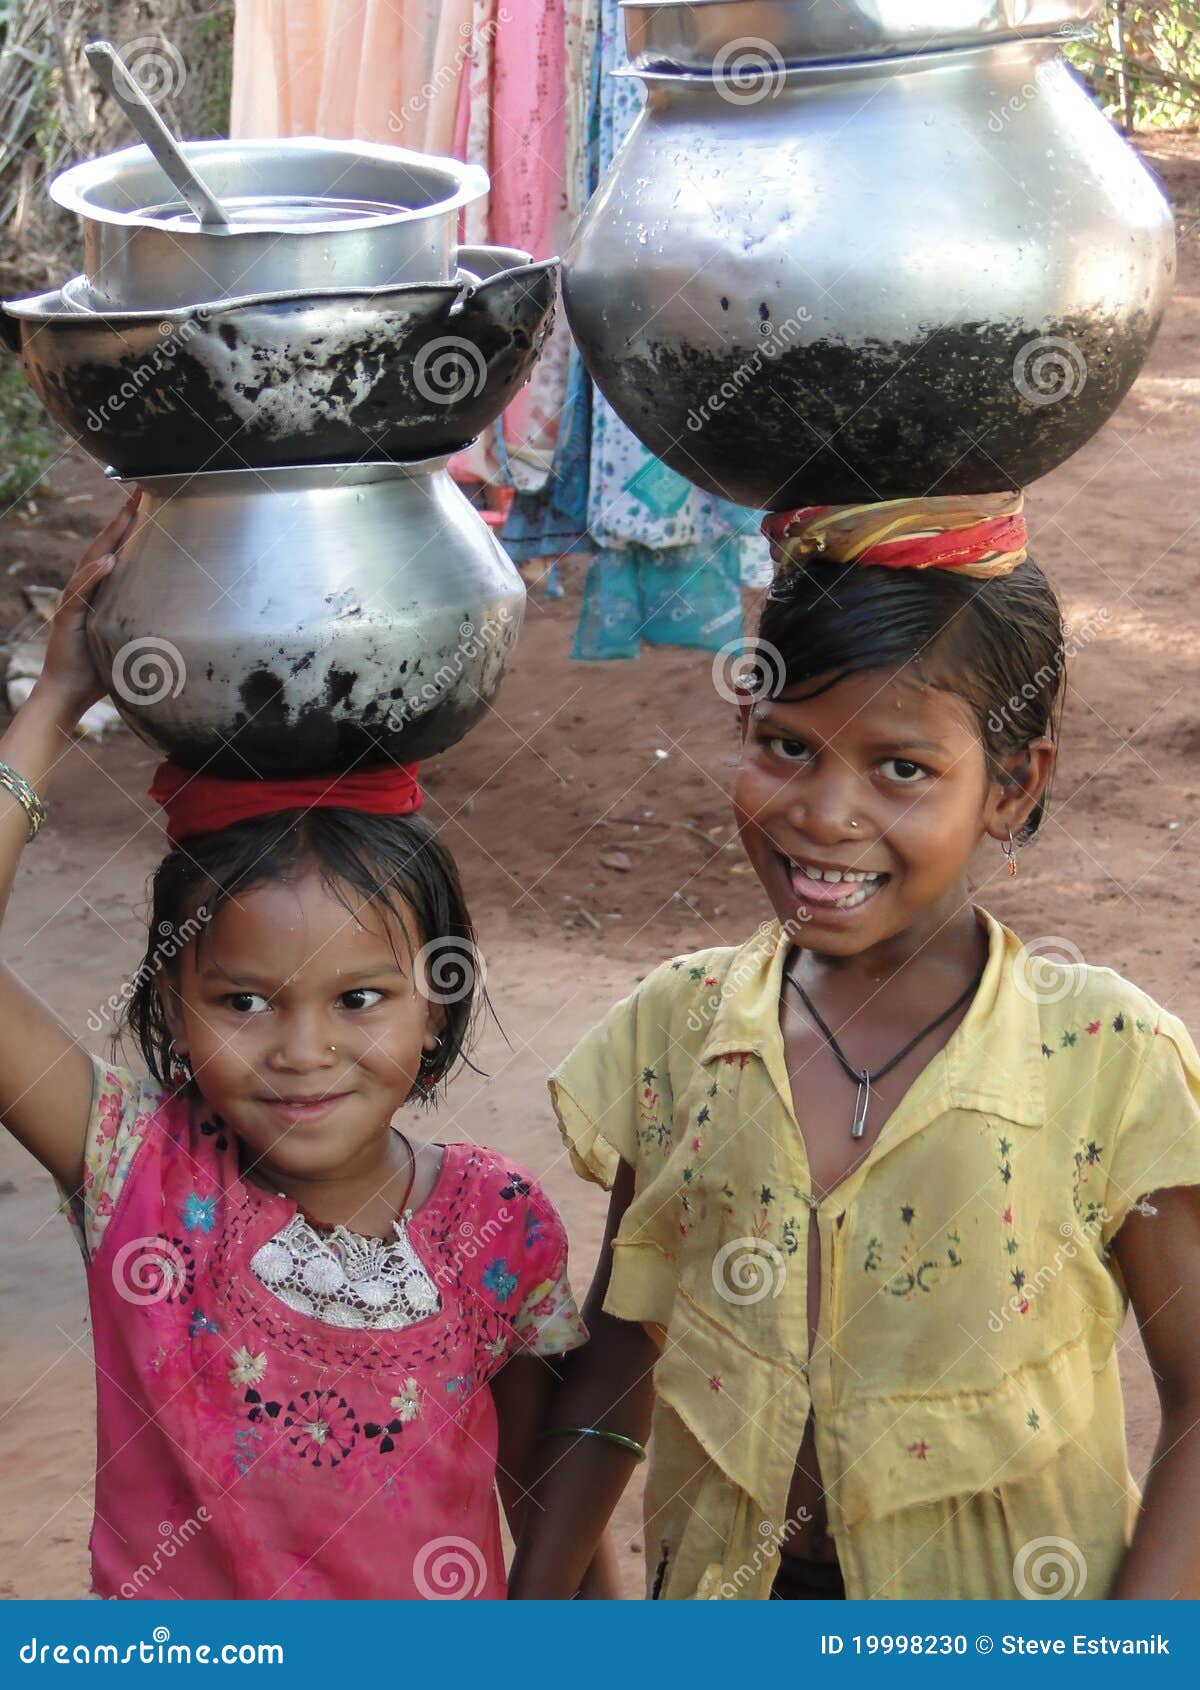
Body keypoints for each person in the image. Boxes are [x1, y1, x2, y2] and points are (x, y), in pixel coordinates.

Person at [507, 492, 1200, 1602]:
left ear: (1011, 785)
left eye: (902, 769)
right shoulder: (679, 1031)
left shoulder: (1106, 1053)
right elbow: (615, 1361)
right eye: (786, 745)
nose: (824, 813)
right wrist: (538, 1620)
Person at [0, 494, 610, 1600]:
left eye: (361, 997)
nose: (302, 1049)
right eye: (241, 1002)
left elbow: (543, 1491)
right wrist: (54, 703)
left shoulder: (497, 1226)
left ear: (440, 1000)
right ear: (171, 1000)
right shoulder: (137, 1170)